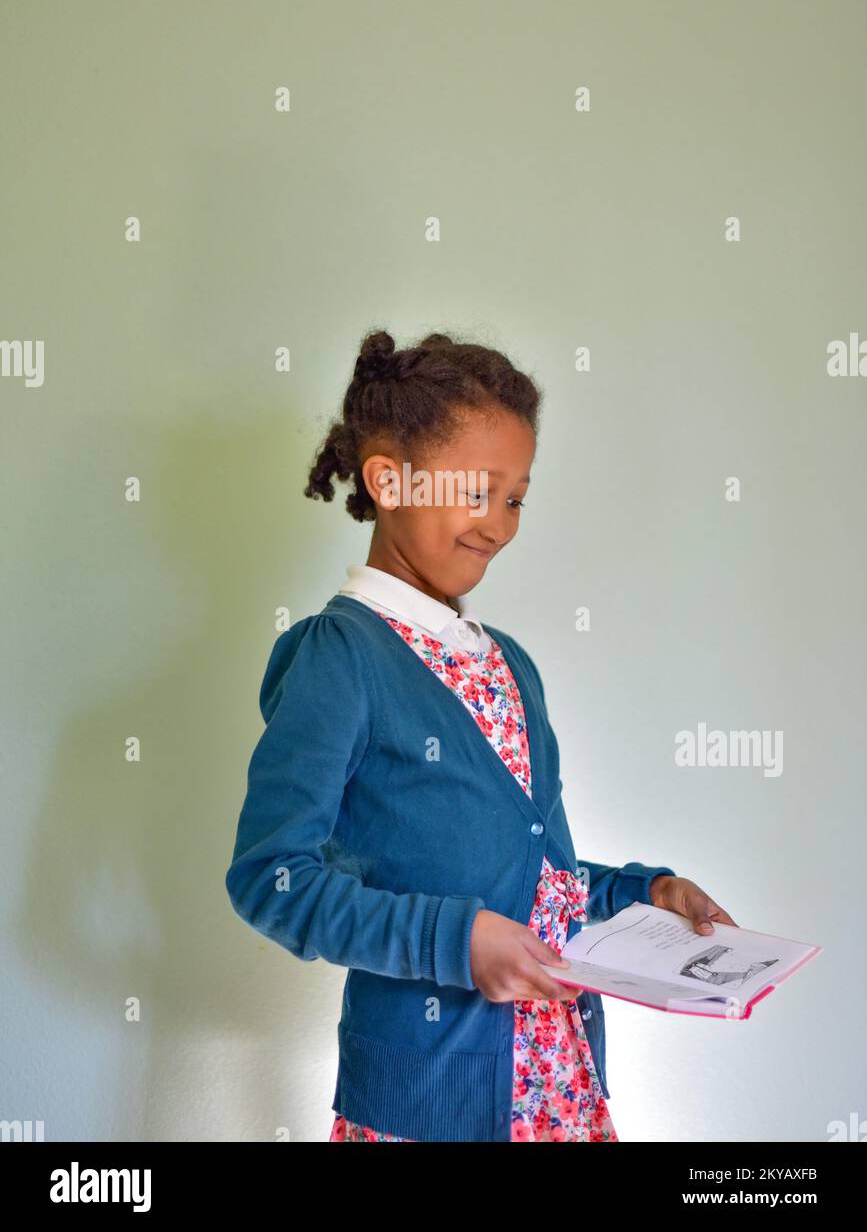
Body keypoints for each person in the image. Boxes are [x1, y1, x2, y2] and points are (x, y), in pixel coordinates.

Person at [225, 328, 736, 1142]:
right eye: (478, 491)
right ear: (387, 481)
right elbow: (269, 879)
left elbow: (531, 882)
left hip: (558, 1082)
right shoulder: (342, 657)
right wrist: (454, 943)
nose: (498, 524)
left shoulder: (510, 664)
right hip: (428, 1101)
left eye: (516, 497)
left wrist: (642, 893)